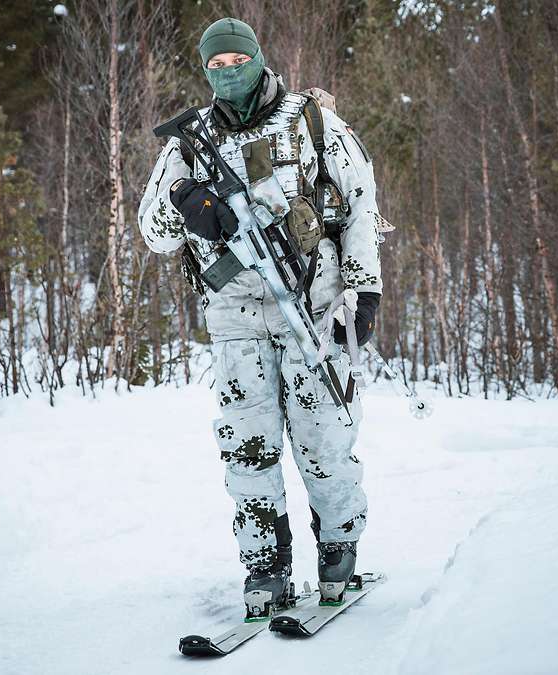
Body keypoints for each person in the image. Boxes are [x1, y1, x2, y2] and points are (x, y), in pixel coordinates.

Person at [137, 17, 384, 618]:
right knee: (248, 447)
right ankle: (266, 568)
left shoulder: (313, 122)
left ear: (257, 59)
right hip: (235, 319)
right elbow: (154, 233)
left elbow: (360, 208)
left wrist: (364, 289)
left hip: (314, 306)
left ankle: (338, 551)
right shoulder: (187, 141)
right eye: (214, 67)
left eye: (235, 62)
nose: (227, 74)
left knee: (324, 437)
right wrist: (188, 205)